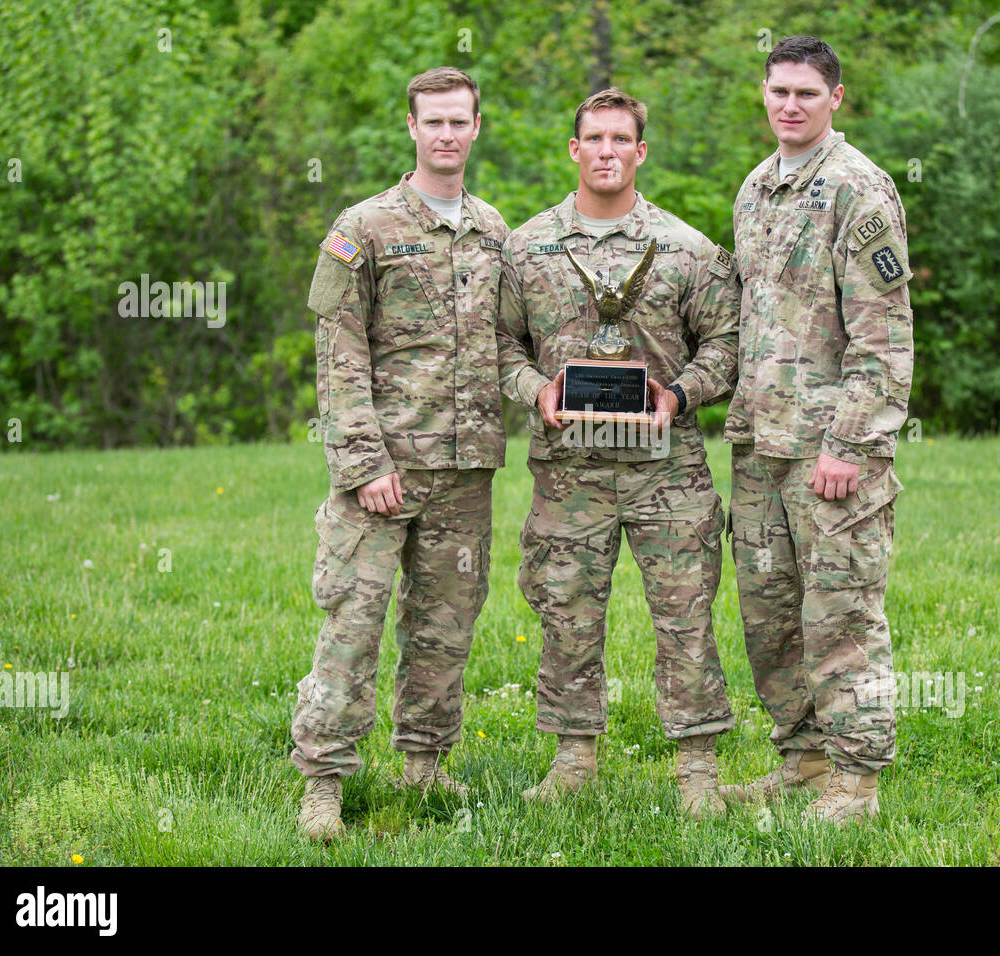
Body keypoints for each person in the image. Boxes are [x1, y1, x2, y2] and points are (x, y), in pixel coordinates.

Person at [496, 88, 740, 818]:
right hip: (570, 474)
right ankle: (573, 758)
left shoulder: (689, 250)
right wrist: (535, 388)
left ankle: (697, 767)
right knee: (566, 612)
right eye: (593, 139)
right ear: (574, 150)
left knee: (686, 618)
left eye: (620, 139)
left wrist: (681, 394)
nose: (606, 151)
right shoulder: (527, 246)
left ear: (641, 151)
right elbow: (499, 344)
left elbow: (726, 345)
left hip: (668, 472)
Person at [291, 67, 509, 842]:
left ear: (476, 128)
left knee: (446, 628)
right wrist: (363, 463)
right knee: (353, 622)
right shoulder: (366, 227)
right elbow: (339, 354)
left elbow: (510, 343)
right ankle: (323, 778)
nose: (447, 134)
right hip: (381, 471)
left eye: (460, 121)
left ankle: (424, 763)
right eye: (434, 122)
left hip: (465, 470)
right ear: (411, 128)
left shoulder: (493, 230)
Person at [720, 35, 914, 824]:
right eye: (778, 91)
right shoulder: (756, 189)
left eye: (806, 92)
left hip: (831, 453)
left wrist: (849, 443)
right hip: (762, 447)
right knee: (770, 618)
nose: (789, 105)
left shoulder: (858, 191)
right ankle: (801, 761)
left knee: (841, 616)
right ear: (763, 96)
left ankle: (857, 782)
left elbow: (885, 336)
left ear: (835, 98)